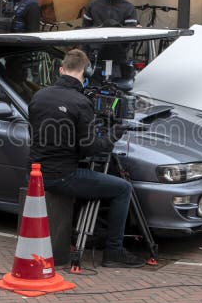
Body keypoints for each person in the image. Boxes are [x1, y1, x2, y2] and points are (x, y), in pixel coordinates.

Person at [28, 49, 145, 268]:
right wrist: (114, 133)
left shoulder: (38, 96)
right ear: (86, 73)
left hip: (36, 172)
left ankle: (86, 237)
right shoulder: (81, 102)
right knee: (123, 188)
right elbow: (92, 149)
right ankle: (114, 251)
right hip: (61, 176)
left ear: (61, 69)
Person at [81, 0, 139, 82]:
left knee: (116, 97)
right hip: (95, 61)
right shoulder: (93, 5)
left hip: (118, 62)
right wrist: (85, 57)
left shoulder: (129, 8)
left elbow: (130, 38)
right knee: (93, 94)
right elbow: (84, 32)